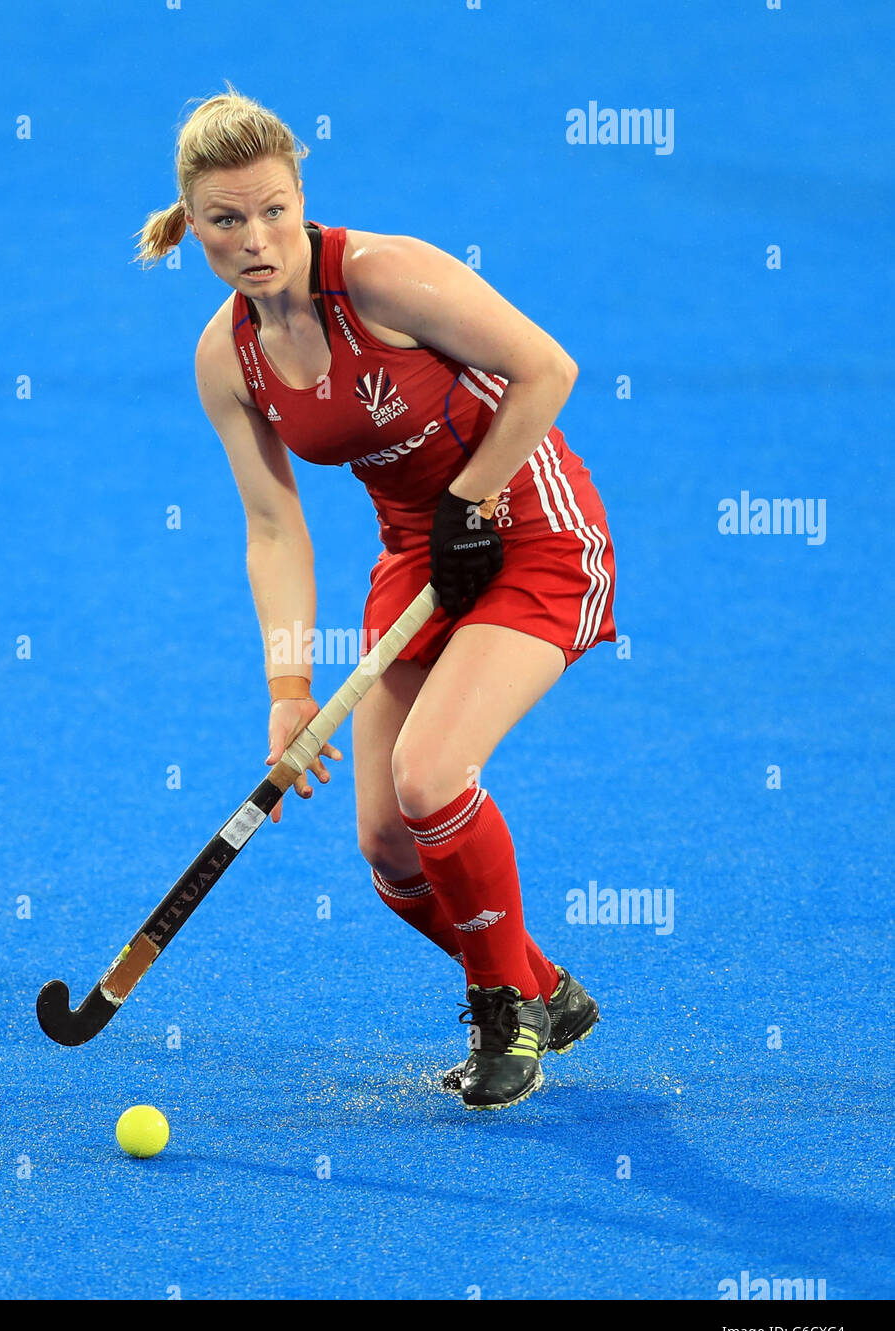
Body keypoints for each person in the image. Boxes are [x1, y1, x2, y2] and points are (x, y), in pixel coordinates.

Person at [137, 86, 616, 1110]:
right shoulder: (229, 358)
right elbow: (274, 527)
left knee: (432, 773)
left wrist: (471, 496)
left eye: (273, 209)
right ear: (194, 226)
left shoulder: (384, 276)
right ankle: (544, 990)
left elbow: (547, 369)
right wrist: (288, 688)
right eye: (226, 220)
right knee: (389, 847)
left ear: (300, 193)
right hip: (418, 548)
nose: (257, 238)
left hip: (530, 527)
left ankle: (503, 1010)